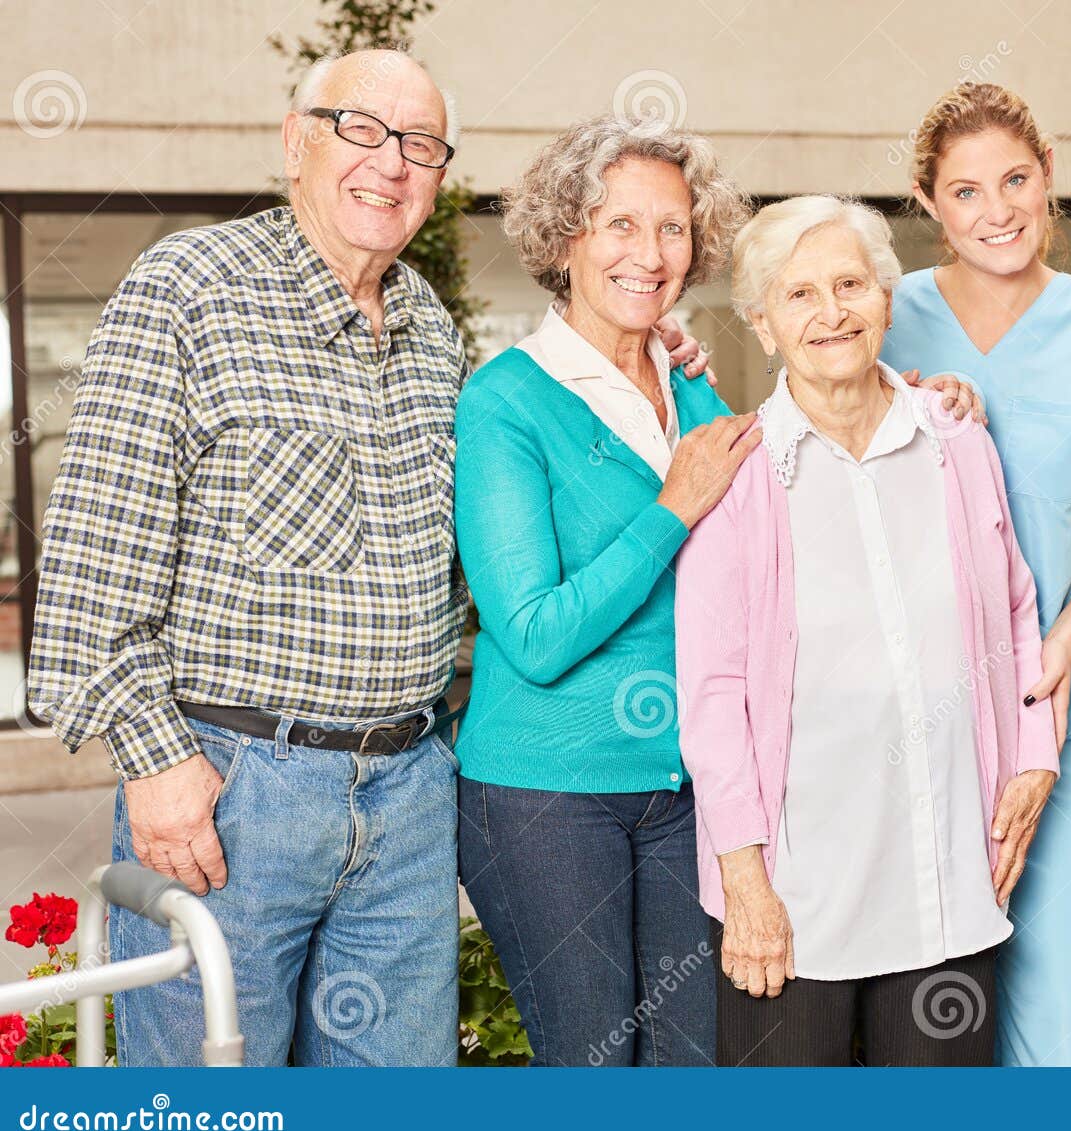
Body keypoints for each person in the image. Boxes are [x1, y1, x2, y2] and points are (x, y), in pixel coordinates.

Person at [28, 49, 469, 1066]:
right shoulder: (191, 285)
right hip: (231, 790)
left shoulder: (430, 326)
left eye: (420, 146)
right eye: (360, 129)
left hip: (405, 796)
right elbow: (92, 563)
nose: (390, 164)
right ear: (294, 141)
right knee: (204, 1116)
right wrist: (156, 762)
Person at [675, 195, 1059, 1067]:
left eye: (849, 283)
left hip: (945, 875)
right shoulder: (736, 477)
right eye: (798, 294)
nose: (830, 311)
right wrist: (745, 881)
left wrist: (1034, 750)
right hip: (795, 892)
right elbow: (712, 698)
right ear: (765, 328)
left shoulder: (956, 445)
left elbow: (1014, 611)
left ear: (886, 300)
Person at [453, 114, 755, 1067]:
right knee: (592, 1069)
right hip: (546, 794)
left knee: (696, 1065)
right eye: (619, 224)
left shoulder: (694, 386)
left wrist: (913, 398)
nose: (649, 252)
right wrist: (671, 506)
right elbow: (534, 635)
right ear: (566, 236)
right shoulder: (506, 397)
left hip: (688, 785)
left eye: (672, 228)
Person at [882, 83, 1071, 1066]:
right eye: (964, 191)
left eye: (1013, 179)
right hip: (912, 709)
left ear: (1049, 179)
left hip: (1063, 700)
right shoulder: (881, 322)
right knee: (925, 994)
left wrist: (1056, 644)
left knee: (1057, 995)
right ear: (928, 203)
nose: (995, 209)